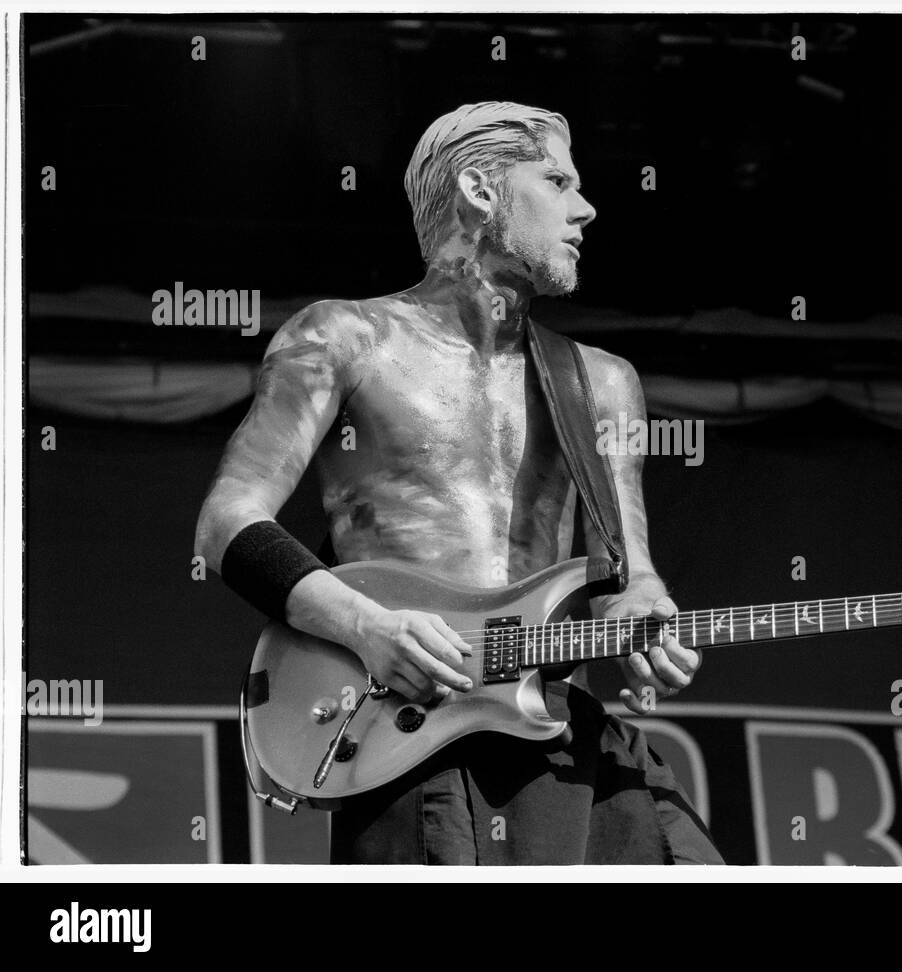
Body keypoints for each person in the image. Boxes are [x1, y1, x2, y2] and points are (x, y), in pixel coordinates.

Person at [195, 101, 723, 864]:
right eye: (557, 180)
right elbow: (226, 524)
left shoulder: (603, 382)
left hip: (554, 724)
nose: (586, 207)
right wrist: (369, 629)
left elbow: (627, 576)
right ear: (480, 191)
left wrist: (643, 615)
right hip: (415, 725)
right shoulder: (343, 337)